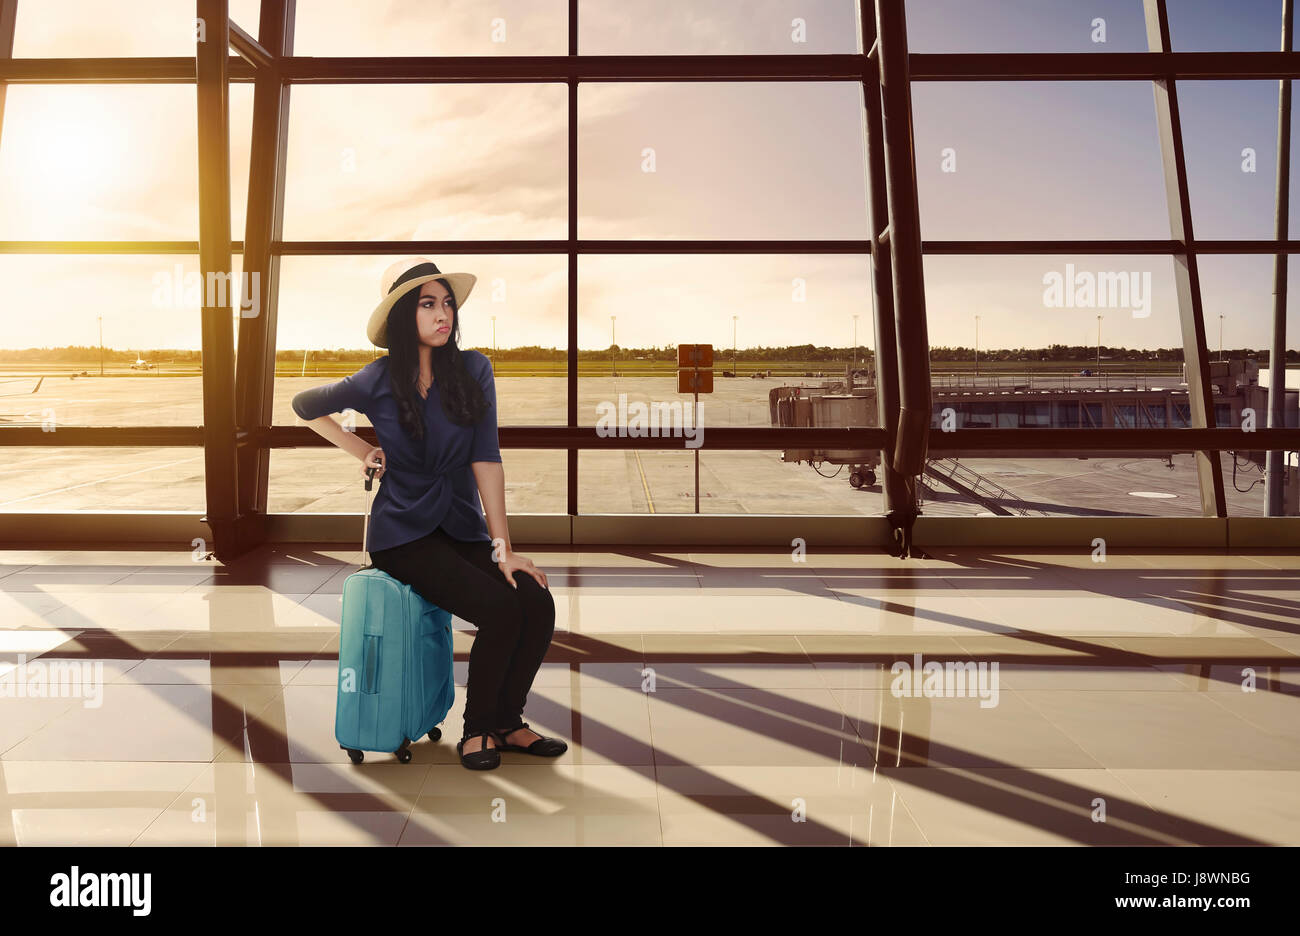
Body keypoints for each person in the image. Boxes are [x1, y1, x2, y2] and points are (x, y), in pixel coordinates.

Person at [291, 257, 563, 771]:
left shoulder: (474, 370)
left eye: (448, 305)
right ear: (401, 316)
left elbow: (487, 458)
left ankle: (507, 722)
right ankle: (476, 730)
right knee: (500, 610)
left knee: (535, 599)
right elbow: (304, 405)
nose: (444, 315)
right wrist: (360, 450)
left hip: (460, 525)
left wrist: (504, 550)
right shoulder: (375, 379)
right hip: (402, 535)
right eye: (428, 304)